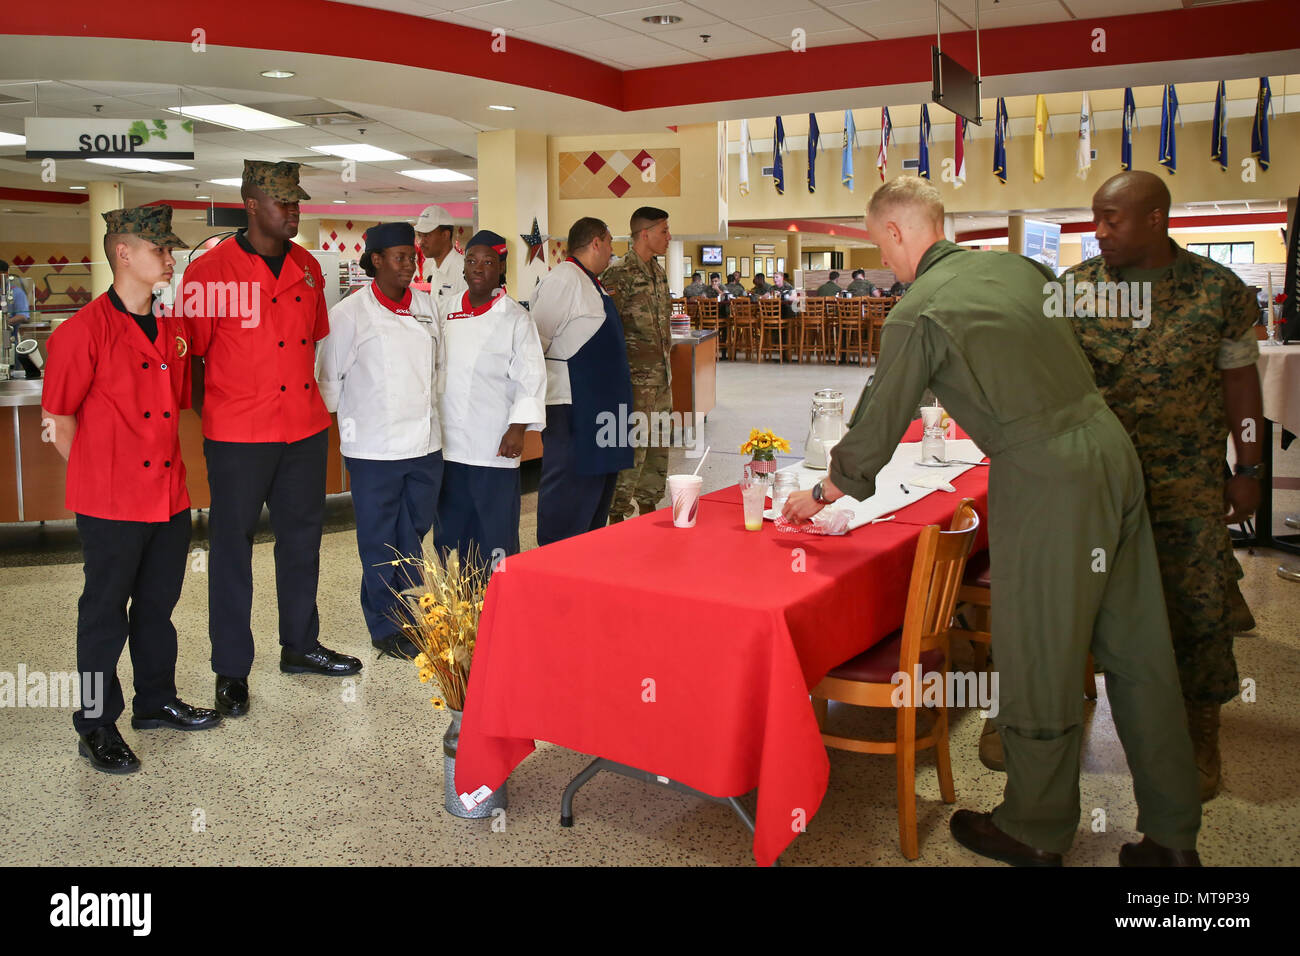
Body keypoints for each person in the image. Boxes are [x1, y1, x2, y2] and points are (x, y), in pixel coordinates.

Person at [783, 177, 1201, 867]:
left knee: (1039, 650)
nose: (886, 264)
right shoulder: (1015, 266)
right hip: (1109, 447)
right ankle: (1173, 837)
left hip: (1048, 477)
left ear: (893, 233)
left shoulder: (919, 309)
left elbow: (882, 414)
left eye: (880, 247)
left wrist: (829, 489)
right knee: (1140, 648)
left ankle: (1034, 829)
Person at [1065, 170, 1262, 802]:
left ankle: (1200, 735)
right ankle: (1047, 723)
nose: (1099, 232)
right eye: (1094, 217)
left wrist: (1250, 467)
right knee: (1075, 606)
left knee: (1196, 610)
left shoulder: (1218, 291)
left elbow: (1241, 386)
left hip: (1187, 485)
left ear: (1156, 218)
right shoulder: (1077, 291)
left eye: (1111, 219)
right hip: (1095, 486)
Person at [42, 205, 221, 773]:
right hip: (110, 503)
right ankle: (95, 725)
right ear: (124, 253)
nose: (170, 259)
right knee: (102, 614)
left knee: (157, 608)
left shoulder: (172, 331)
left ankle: (154, 700)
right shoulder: (81, 332)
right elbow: (59, 421)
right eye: (159, 250)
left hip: (168, 498)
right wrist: (103, 476)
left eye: (170, 250)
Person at [186, 160, 361, 720]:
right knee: (232, 550)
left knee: (303, 540)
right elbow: (194, 359)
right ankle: (231, 670)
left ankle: (299, 645)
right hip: (238, 433)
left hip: (303, 428)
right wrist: (217, 416)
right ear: (252, 203)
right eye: (284, 203)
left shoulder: (309, 266)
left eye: (297, 202)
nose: (294, 212)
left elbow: (310, 338)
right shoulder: (209, 273)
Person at [318, 222, 444, 660]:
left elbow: (438, 368)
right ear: (376, 260)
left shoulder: (428, 307)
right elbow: (328, 381)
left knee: (411, 533)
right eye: (399, 256)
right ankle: (389, 626)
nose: (409, 263)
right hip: (374, 447)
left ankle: (397, 605)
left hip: (426, 444)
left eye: (412, 256)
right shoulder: (349, 315)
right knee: (379, 537)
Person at [436, 230, 546, 563]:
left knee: (494, 533)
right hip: (448, 445)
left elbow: (532, 376)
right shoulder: (445, 310)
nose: (478, 268)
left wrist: (517, 427)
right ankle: (455, 607)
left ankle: (496, 602)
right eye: (471, 261)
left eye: (488, 262)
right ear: (464, 268)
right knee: (449, 533)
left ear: (501, 268)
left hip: (493, 445)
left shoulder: (516, 318)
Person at [530, 217, 633, 545]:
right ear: (596, 242)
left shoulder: (594, 282)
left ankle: (585, 566)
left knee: (595, 500)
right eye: (610, 243)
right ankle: (555, 569)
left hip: (605, 411)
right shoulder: (563, 280)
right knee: (568, 502)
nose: (613, 251)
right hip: (574, 411)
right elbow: (535, 342)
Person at [601, 206, 672, 523]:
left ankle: (648, 507)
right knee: (631, 450)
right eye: (664, 231)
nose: (668, 237)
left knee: (657, 449)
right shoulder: (619, 274)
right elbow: (607, 331)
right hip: (634, 382)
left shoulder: (658, 272)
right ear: (645, 234)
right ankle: (616, 515)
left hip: (661, 380)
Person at [414, 205, 465, 300]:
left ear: (445, 235)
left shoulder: (464, 270)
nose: (421, 243)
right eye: (420, 236)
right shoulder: (436, 270)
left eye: (426, 235)